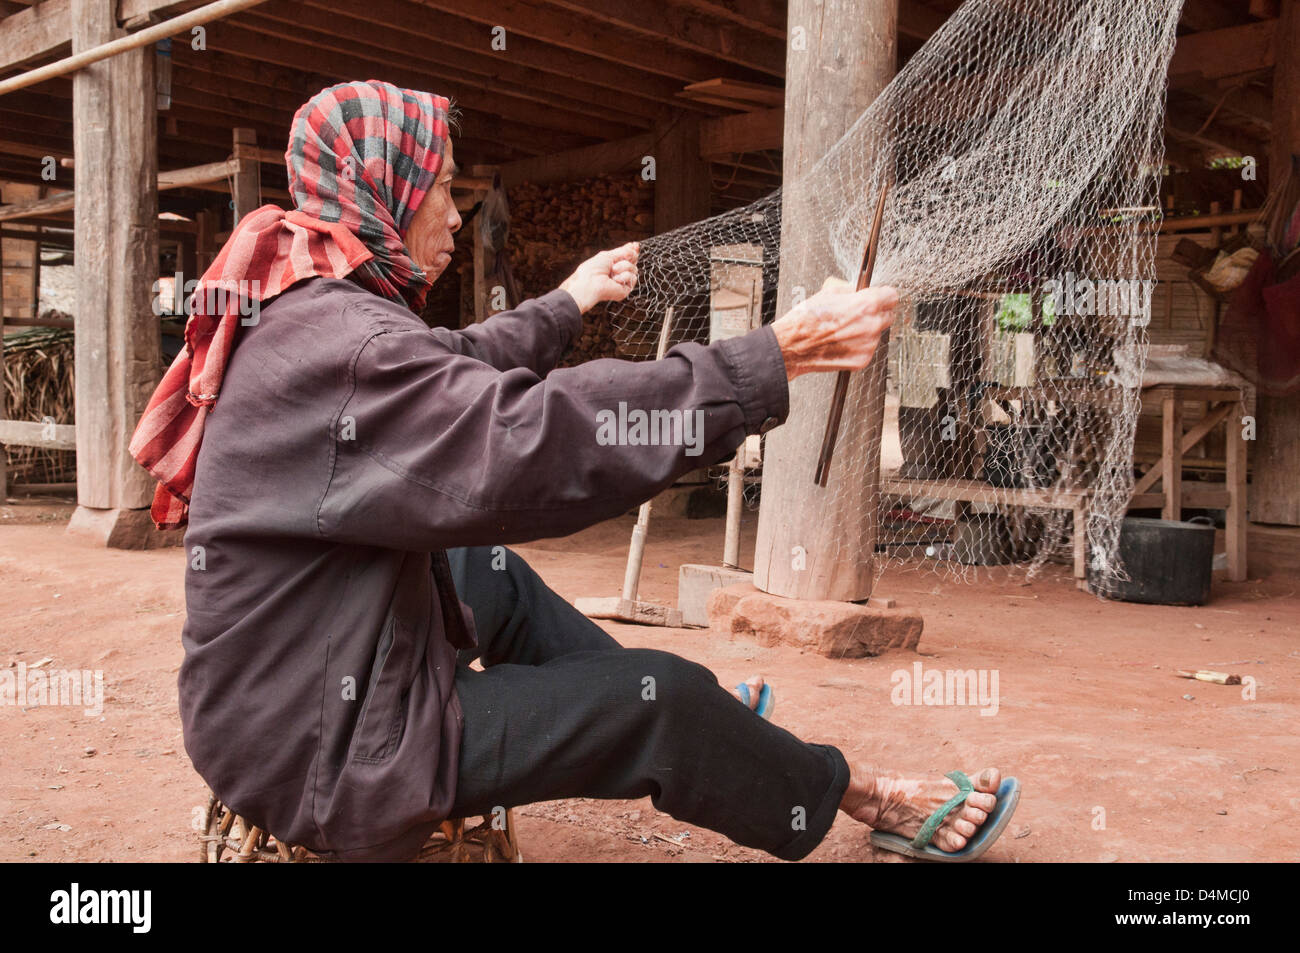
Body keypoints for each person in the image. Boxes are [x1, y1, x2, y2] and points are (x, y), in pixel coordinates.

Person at [130, 80, 1003, 862]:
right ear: (386, 192)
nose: (455, 213)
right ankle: (856, 790)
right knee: (660, 701)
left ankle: (698, 718)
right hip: (324, 749)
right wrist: (770, 358)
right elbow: (528, 441)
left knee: (488, 574)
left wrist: (571, 300)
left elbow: (456, 360)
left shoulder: (314, 309)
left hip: (282, 692)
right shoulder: (348, 342)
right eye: (440, 187)